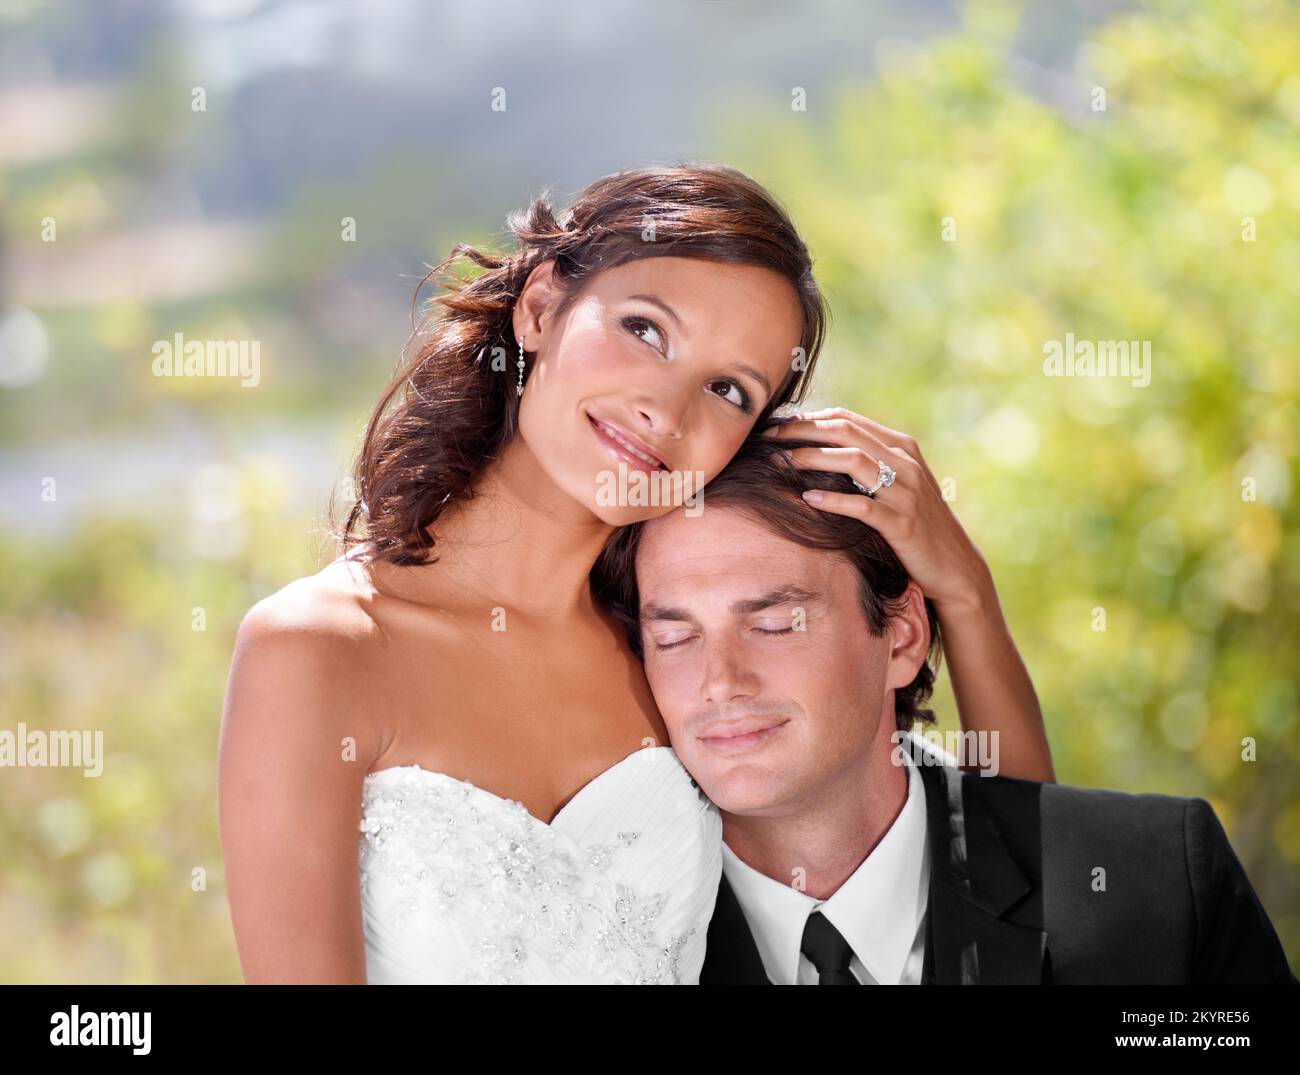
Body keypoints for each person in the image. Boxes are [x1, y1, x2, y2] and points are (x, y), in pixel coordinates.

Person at [218, 162, 1052, 984]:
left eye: (728, 388)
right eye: (646, 330)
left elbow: (1014, 878)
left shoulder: (677, 653)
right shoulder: (319, 651)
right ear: (542, 306)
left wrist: (964, 591)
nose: (667, 408)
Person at [591, 430, 1298, 984]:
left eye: (776, 624)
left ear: (901, 636)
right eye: (674, 635)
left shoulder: (1159, 884)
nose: (720, 681)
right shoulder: (601, 941)